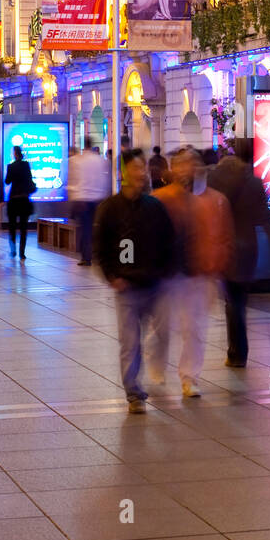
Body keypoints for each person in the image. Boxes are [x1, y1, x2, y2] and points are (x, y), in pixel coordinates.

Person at [95, 150, 178, 413]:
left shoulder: (154, 207)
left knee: (163, 334)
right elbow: (101, 246)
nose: (140, 173)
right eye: (134, 168)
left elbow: (170, 241)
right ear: (123, 172)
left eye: (142, 168)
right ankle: (134, 394)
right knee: (130, 342)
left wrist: (167, 271)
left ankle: (153, 370)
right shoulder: (110, 208)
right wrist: (112, 276)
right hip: (128, 286)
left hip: (156, 284)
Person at [149, 148, 232, 398]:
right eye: (182, 164)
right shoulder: (160, 199)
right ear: (173, 169)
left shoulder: (214, 200)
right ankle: (156, 363)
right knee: (162, 327)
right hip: (166, 274)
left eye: (191, 164)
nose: (187, 169)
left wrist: (217, 263)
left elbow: (224, 235)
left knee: (194, 328)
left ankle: (190, 377)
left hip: (199, 273)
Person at [208, 139, 270, 368]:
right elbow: (266, 218)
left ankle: (236, 351)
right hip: (248, 247)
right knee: (239, 298)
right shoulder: (253, 183)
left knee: (232, 300)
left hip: (224, 245)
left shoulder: (214, 181)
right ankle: (238, 351)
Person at [68, 140, 109, 266]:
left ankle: (86, 257)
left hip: (83, 199)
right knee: (95, 227)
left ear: (83, 145)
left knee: (85, 228)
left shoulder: (77, 160)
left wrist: (73, 197)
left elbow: (73, 180)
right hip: (97, 199)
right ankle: (96, 254)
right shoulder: (100, 160)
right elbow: (104, 180)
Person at [3, 146, 36, 259]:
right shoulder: (26, 165)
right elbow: (30, 179)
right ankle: (22, 253)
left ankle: (13, 250)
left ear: (14, 154)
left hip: (14, 200)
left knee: (12, 226)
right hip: (24, 200)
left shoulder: (11, 166)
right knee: (23, 227)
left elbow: (7, 181)